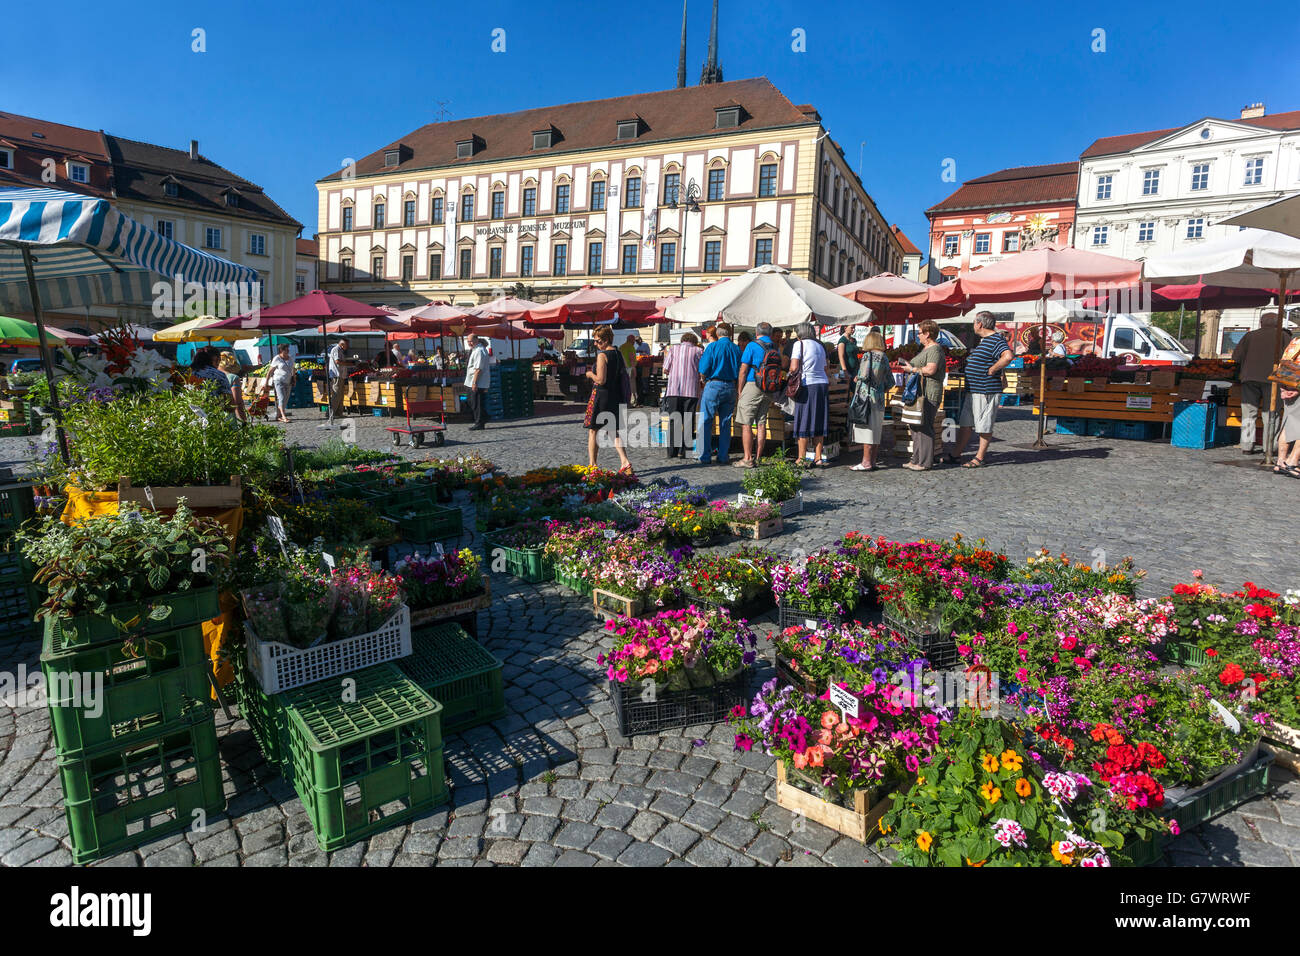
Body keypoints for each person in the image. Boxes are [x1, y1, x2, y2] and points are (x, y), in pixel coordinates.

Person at [954, 312, 1014, 467]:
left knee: (984, 425)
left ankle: (979, 458)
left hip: (985, 389)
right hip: (974, 389)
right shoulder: (984, 340)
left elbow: (1007, 356)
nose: (973, 325)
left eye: (974, 322)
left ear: (980, 324)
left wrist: (993, 369)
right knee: (965, 423)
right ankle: (955, 454)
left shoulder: (996, 339)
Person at [1233, 311, 1291, 455]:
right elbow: (1291, 358)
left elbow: (1236, 357)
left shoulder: (1250, 335)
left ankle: (1246, 446)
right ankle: (1269, 448)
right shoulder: (1283, 336)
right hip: (1273, 379)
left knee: (1248, 413)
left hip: (1249, 378)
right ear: (1278, 323)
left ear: (1261, 323)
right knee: (1272, 414)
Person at [585, 325, 633, 473]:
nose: (595, 344)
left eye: (598, 341)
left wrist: (589, 374)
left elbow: (601, 380)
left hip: (602, 396)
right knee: (613, 430)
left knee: (593, 430)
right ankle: (625, 462)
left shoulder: (602, 356)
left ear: (606, 340)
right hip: (616, 396)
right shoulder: (619, 354)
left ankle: (592, 465)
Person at [694, 321, 741, 465]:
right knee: (725, 422)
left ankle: (705, 455)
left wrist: (703, 379)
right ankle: (723, 455)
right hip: (731, 386)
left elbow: (703, 369)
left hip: (714, 385)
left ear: (717, 334)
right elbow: (741, 370)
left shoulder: (712, 347)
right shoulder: (736, 349)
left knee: (706, 421)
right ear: (730, 334)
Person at [735, 322, 780, 467]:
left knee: (746, 424)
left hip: (752, 385)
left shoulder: (752, 346)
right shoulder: (774, 347)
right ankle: (759, 457)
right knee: (761, 423)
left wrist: (740, 390)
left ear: (756, 332)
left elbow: (743, 370)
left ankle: (747, 458)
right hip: (768, 388)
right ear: (770, 333)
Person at [903, 319, 946, 472]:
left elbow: (930, 370)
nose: (918, 336)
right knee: (915, 425)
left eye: (919, 333)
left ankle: (925, 462)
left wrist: (912, 370)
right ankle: (916, 459)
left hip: (928, 393)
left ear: (927, 334)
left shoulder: (934, 350)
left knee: (924, 426)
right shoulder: (926, 349)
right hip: (920, 393)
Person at [849, 331, 893, 472]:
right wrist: (880, 388)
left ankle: (866, 462)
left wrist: (857, 378)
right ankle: (872, 461)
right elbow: (891, 382)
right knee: (876, 432)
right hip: (879, 399)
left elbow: (864, 375)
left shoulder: (868, 356)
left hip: (865, 399)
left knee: (867, 431)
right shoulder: (884, 357)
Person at [789, 322, 830, 467]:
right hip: (822, 384)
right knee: (819, 419)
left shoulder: (798, 345)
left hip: (807, 385)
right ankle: (818, 457)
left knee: (803, 420)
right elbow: (826, 368)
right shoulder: (820, 345)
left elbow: (794, 367)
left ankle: (802, 457)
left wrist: (789, 374)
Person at [661, 332, 703, 459]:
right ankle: (685, 452)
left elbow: (665, 369)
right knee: (689, 420)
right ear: (694, 341)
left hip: (674, 390)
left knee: (674, 420)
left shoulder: (673, 349)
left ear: (682, 340)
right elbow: (702, 370)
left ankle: (672, 451)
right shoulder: (698, 351)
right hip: (691, 391)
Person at [465, 334, 489, 431]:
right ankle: (484, 417)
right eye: (468, 341)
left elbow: (478, 369)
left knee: (476, 403)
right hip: (471, 380)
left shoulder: (479, 351)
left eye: (470, 341)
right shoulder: (475, 349)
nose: (469, 343)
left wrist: (474, 382)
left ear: (476, 339)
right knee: (471, 401)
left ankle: (479, 422)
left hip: (477, 381)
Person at [217, 351, 249, 423]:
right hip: (228, 418)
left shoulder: (212, 376)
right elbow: (237, 402)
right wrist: (244, 420)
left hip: (213, 417)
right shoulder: (233, 378)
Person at [325, 337, 350, 423]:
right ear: (342, 345)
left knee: (340, 394)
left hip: (341, 375)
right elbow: (337, 361)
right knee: (336, 394)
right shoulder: (336, 350)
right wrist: (349, 364)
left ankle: (339, 412)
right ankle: (330, 413)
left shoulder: (340, 350)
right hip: (337, 375)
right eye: (347, 345)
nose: (348, 347)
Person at [269, 343, 295, 423]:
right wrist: (267, 382)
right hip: (278, 381)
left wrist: (294, 379)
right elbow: (270, 371)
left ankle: (278, 415)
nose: (288, 351)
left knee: (285, 399)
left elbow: (293, 369)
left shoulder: (290, 358)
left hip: (288, 381)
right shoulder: (277, 358)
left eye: (288, 349)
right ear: (281, 350)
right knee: (282, 398)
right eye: (286, 349)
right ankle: (284, 417)